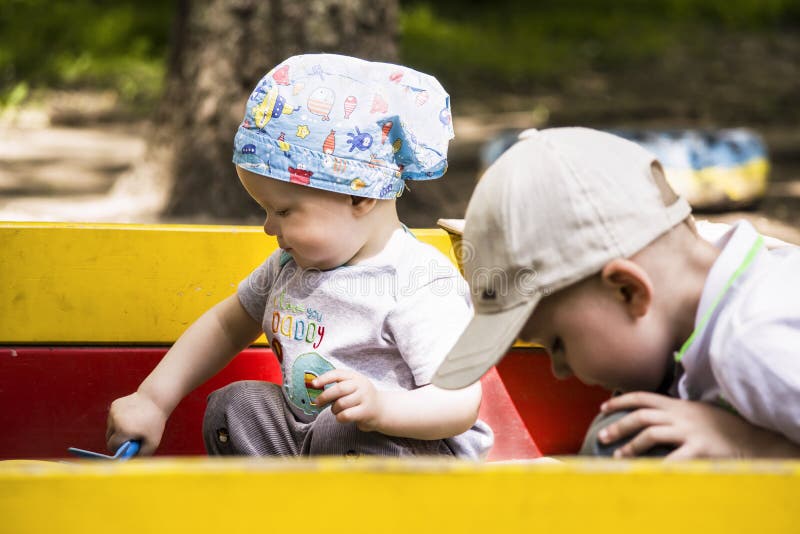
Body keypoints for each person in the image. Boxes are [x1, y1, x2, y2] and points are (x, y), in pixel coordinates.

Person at [106, 54, 493, 459]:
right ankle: (275, 511)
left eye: (284, 211)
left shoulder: (418, 281)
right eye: (266, 210)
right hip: (312, 441)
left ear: (359, 196)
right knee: (234, 406)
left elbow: (459, 402)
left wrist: (382, 408)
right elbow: (226, 325)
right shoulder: (289, 266)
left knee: (342, 430)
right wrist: (153, 398)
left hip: (413, 458)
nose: (269, 228)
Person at [432, 127, 800, 459]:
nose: (559, 371)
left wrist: (750, 446)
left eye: (557, 343)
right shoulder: (726, 295)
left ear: (627, 291)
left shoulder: (755, 344)